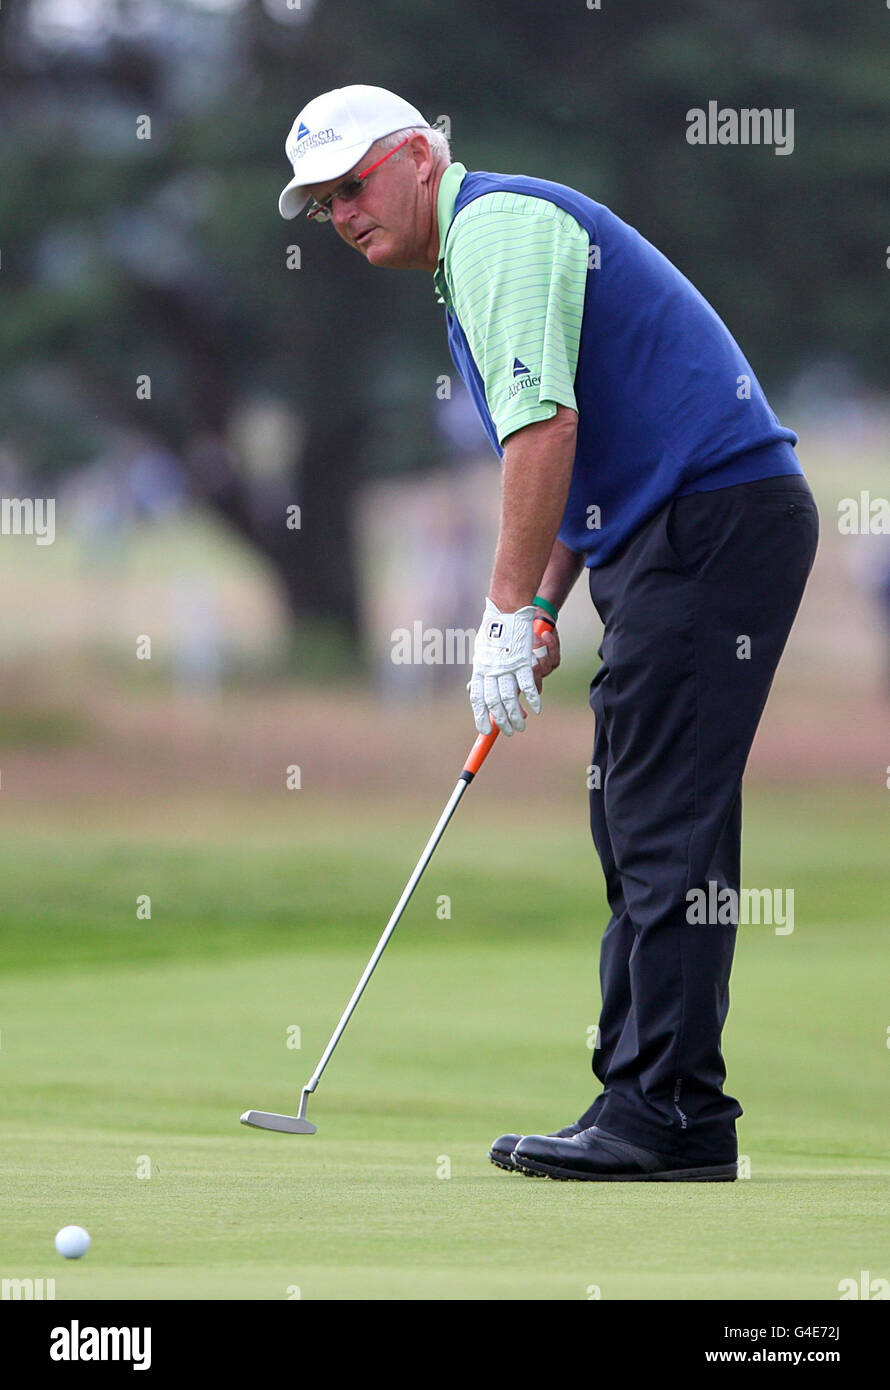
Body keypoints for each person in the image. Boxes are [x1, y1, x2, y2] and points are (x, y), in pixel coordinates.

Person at [278, 84, 819, 1182]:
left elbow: (542, 429)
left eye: (355, 182)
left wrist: (492, 611)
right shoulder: (472, 255)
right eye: (324, 200)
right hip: (679, 527)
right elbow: (579, 460)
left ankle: (656, 1114)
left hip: (709, 521)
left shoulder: (495, 230)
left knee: (658, 815)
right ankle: (672, 1108)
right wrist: (536, 608)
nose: (341, 212)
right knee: (636, 811)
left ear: (422, 155)